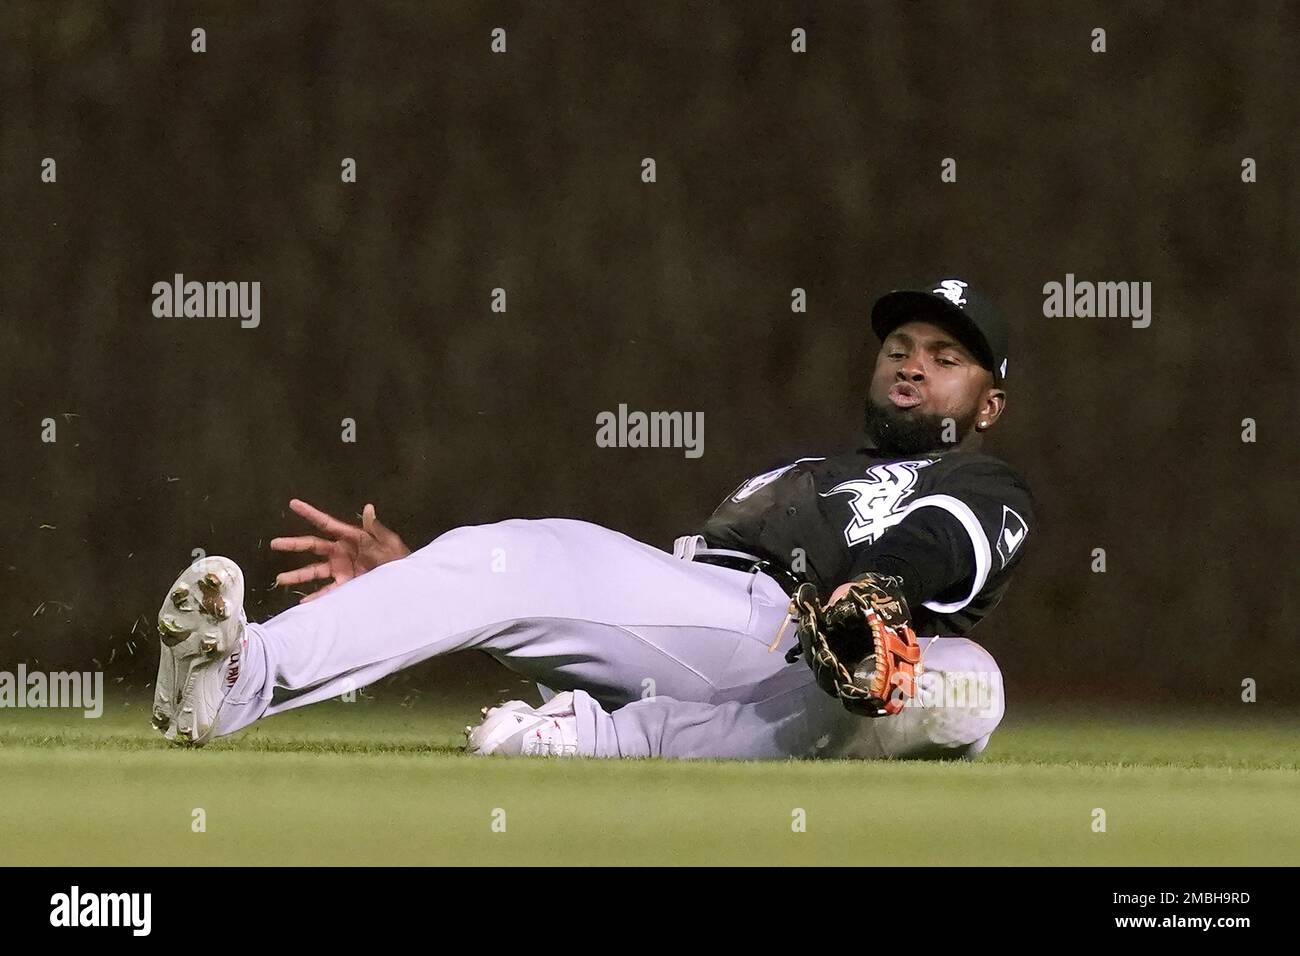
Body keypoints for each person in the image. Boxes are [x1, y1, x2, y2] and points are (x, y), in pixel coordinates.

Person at [152, 278, 1032, 760]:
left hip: (819, 674)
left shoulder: (980, 480)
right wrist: (423, 579)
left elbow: (942, 538)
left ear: (987, 404)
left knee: (964, 686)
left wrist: (879, 588)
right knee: (507, 558)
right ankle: (235, 675)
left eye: (946, 357)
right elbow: (646, 602)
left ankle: (594, 739)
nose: (913, 365)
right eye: (900, 348)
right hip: (723, 628)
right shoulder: (806, 472)